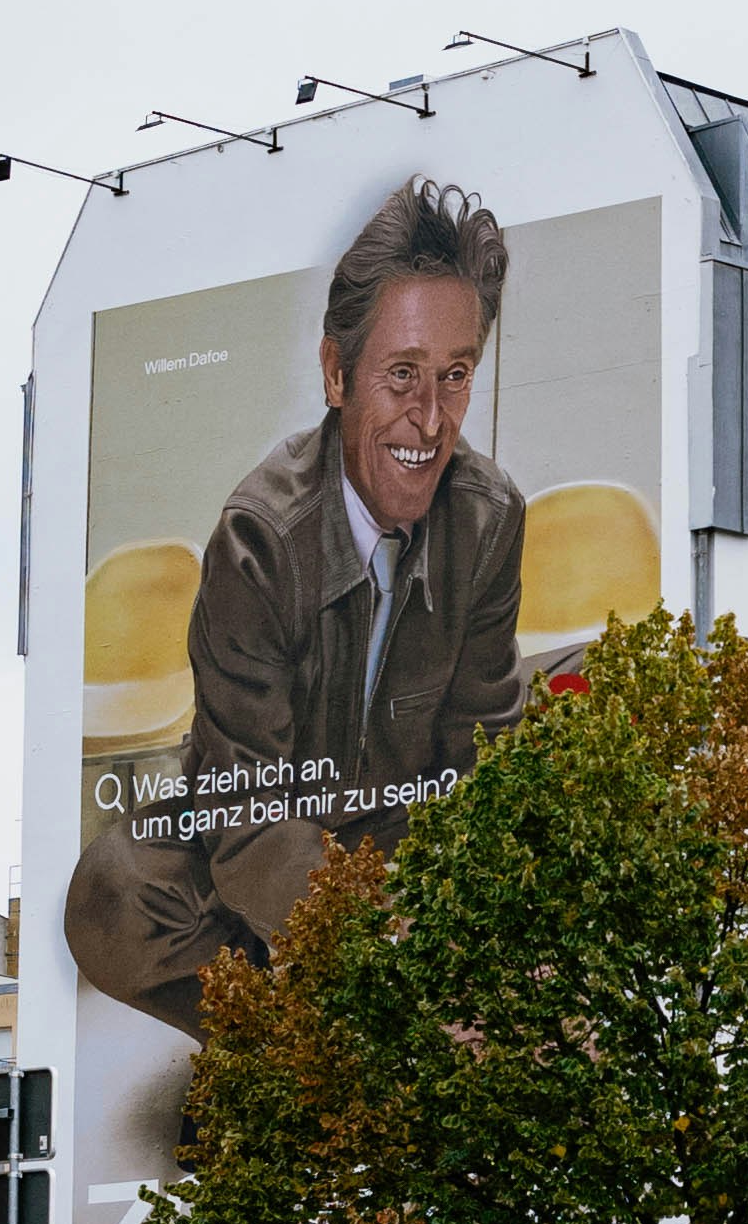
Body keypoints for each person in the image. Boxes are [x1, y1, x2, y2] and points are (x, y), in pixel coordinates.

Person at [65, 175, 527, 1025]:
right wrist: (377, 961)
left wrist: (472, 926)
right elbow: (244, 817)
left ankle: (352, 1020)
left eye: (455, 375)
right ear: (336, 373)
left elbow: (484, 758)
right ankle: (300, 1045)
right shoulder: (260, 538)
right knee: (114, 892)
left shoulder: (490, 516)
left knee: (607, 698)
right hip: (267, 843)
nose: (430, 419)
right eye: (401, 376)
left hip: (403, 843)